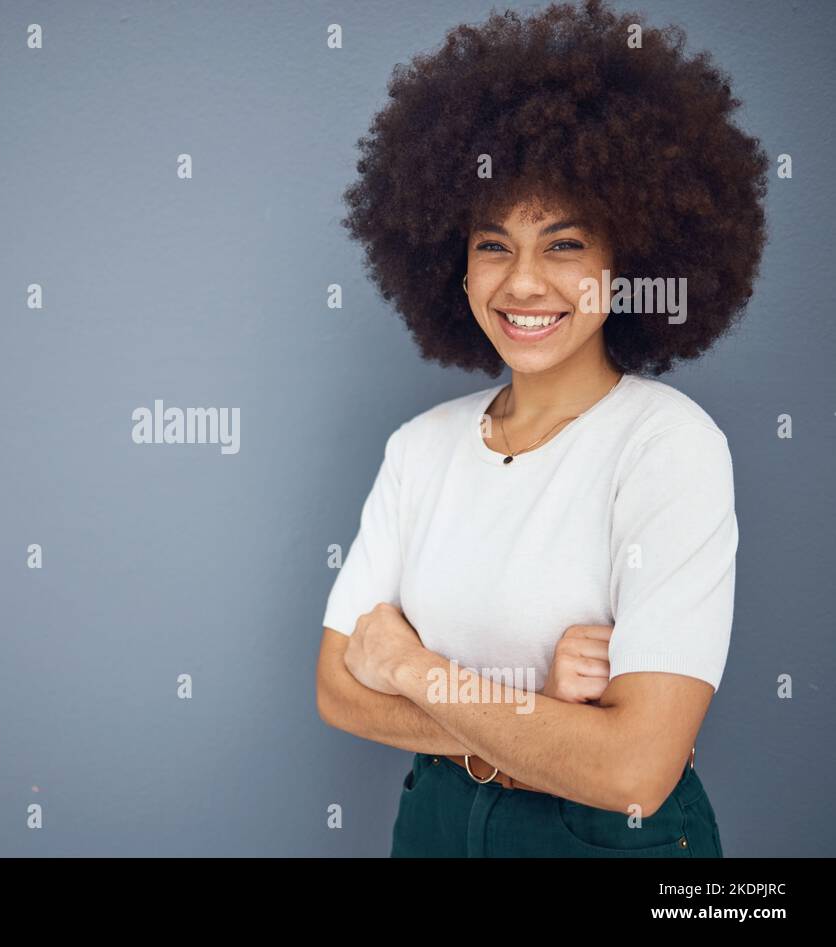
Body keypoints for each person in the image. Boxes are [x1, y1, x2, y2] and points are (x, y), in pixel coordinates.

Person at [316, 0, 766, 857]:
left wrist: (413, 670)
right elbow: (337, 689)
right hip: (435, 825)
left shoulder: (670, 445)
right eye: (494, 245)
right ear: (452, 260)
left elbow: (636, 769)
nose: (524, 283)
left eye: (563, 245)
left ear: (626, 258)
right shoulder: (419, 449)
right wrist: (540, 726)